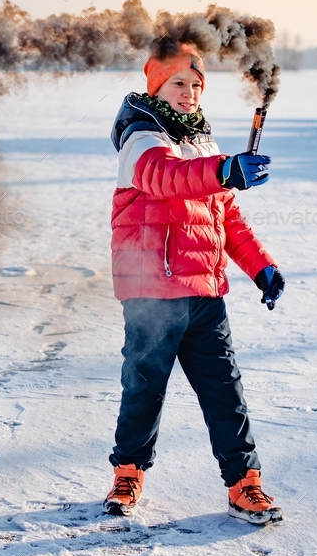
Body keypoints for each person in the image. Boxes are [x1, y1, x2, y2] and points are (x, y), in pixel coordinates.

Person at [104, 43, 285, 524]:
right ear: (157, 86)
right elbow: (165, 177)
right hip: (152, 290)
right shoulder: (139, 134)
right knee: (144, 387)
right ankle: (128, 472)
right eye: (178, 83)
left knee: (225, 389)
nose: (189, 94)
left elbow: (225, 216)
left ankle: (245, 484)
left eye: (196, 85)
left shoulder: (201, 139)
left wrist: (260, 266)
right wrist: (224, 169)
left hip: (205, 292)